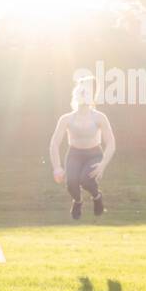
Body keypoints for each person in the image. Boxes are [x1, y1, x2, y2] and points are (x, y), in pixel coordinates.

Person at [50, 77, 116, 219]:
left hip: (94, 154)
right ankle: (78, 201)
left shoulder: (99, 117)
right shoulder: (66, 119)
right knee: (71, 183)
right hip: (75, 154)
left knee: (86, 180)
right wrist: (57, 167)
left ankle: (97, 197)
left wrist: (103, 165)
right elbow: (54, 143)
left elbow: (111, 143)